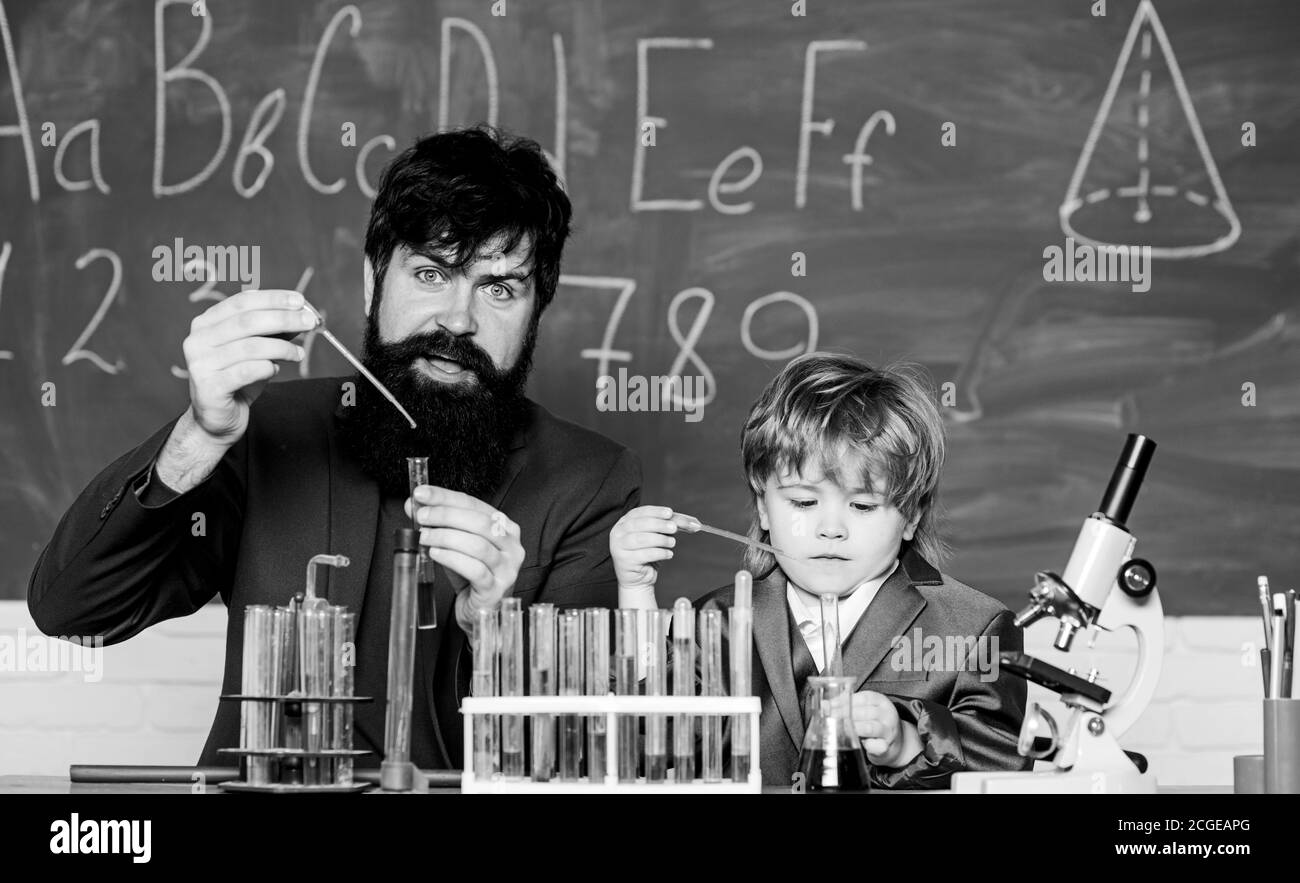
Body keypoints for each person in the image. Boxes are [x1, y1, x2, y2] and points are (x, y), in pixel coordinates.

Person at [28, 126, 642, 770]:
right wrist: (197, 438)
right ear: (373, 283)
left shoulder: (590, 481)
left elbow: (582, 761)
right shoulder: (267, 430)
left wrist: (496, 638)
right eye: (431, 273)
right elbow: (75, 611)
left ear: (536, 311)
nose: (459, 320)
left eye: (498, 288)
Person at [610, 352, 1030, 788]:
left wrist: (906, 742)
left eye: (862, 506)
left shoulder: (973, 628)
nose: (831, 529)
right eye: (804, 502)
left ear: (911, 515)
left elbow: (1003, 759)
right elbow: (646, 742)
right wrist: (636, 590)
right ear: (763, 507)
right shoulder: (716, 623)